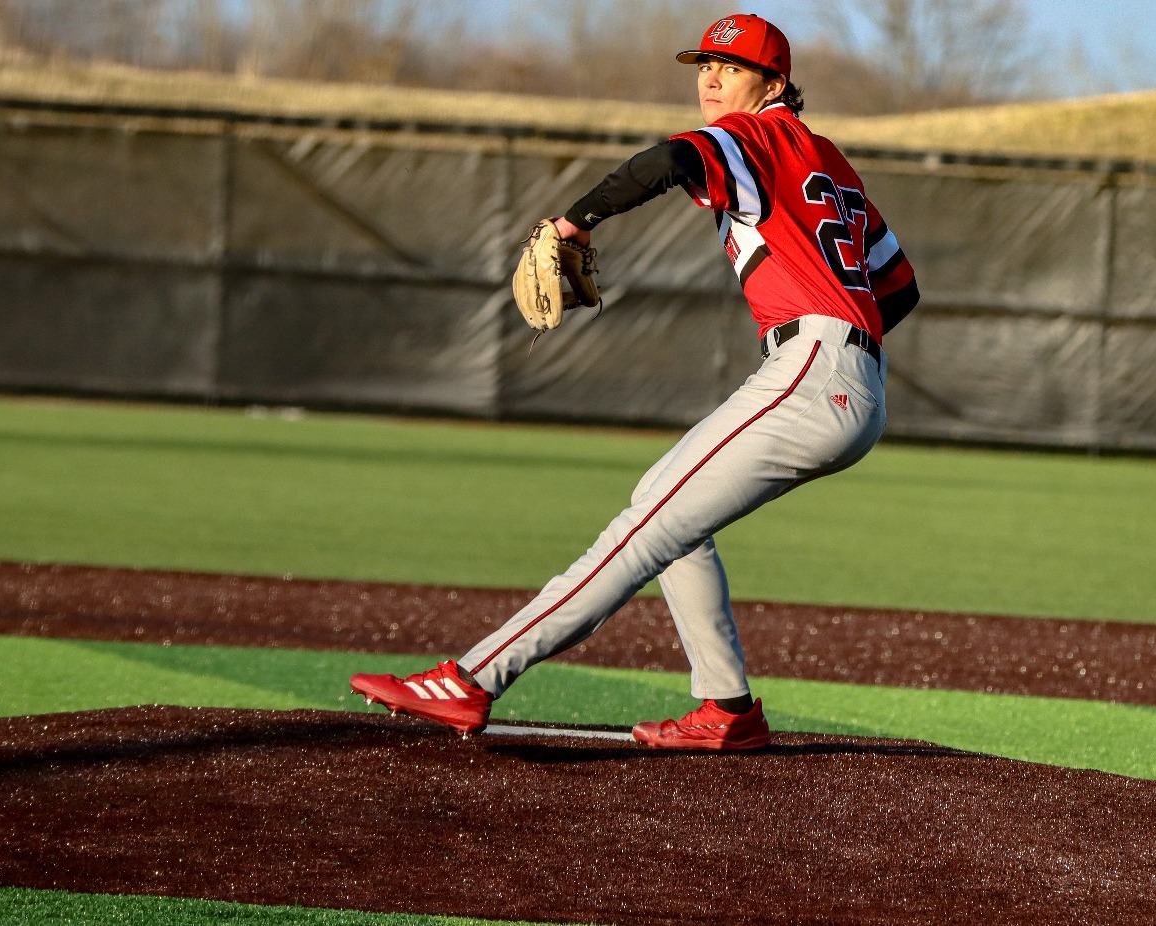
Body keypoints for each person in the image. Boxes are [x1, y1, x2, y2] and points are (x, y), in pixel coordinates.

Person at [350, 13, 919, 751]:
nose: (710, 78)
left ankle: (473, 677)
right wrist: (849, 354)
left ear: (773, 84)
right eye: (703, 65)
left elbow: (665, 162)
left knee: (640, 534)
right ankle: (727, 708)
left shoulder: (754, 134)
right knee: (666, 508)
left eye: (730, 67)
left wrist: (572, 225)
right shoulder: (828, 160)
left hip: (811, 368)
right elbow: (898, 290)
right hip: (843, 372)